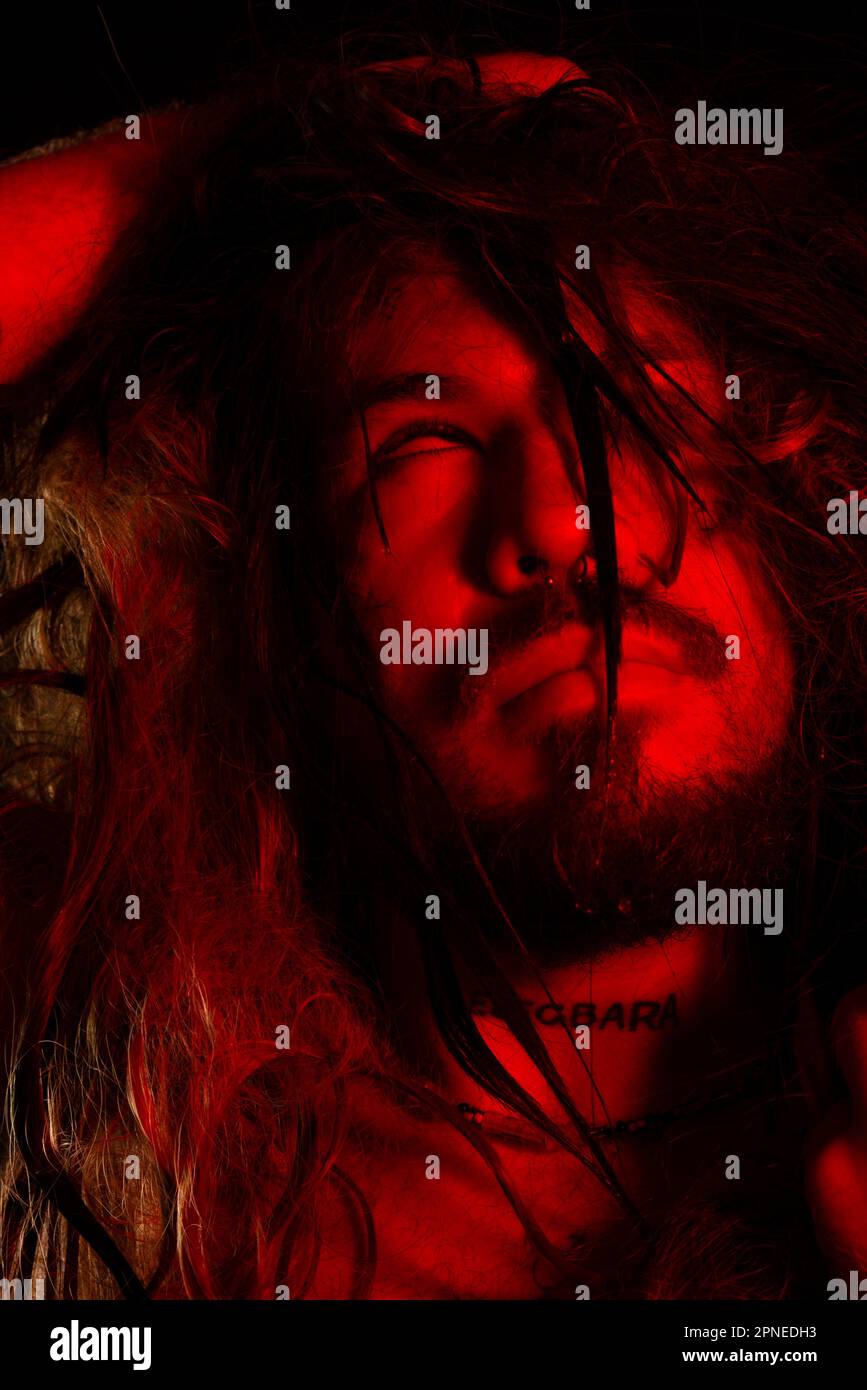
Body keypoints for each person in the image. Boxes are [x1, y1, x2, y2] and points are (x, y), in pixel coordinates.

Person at [1, 44, 866, 1300]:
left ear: (792, 503)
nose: (570, 522)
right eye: (423, 442)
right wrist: (275, 142)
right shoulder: (90, 1058)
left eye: (642, 406)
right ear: (286, 599)